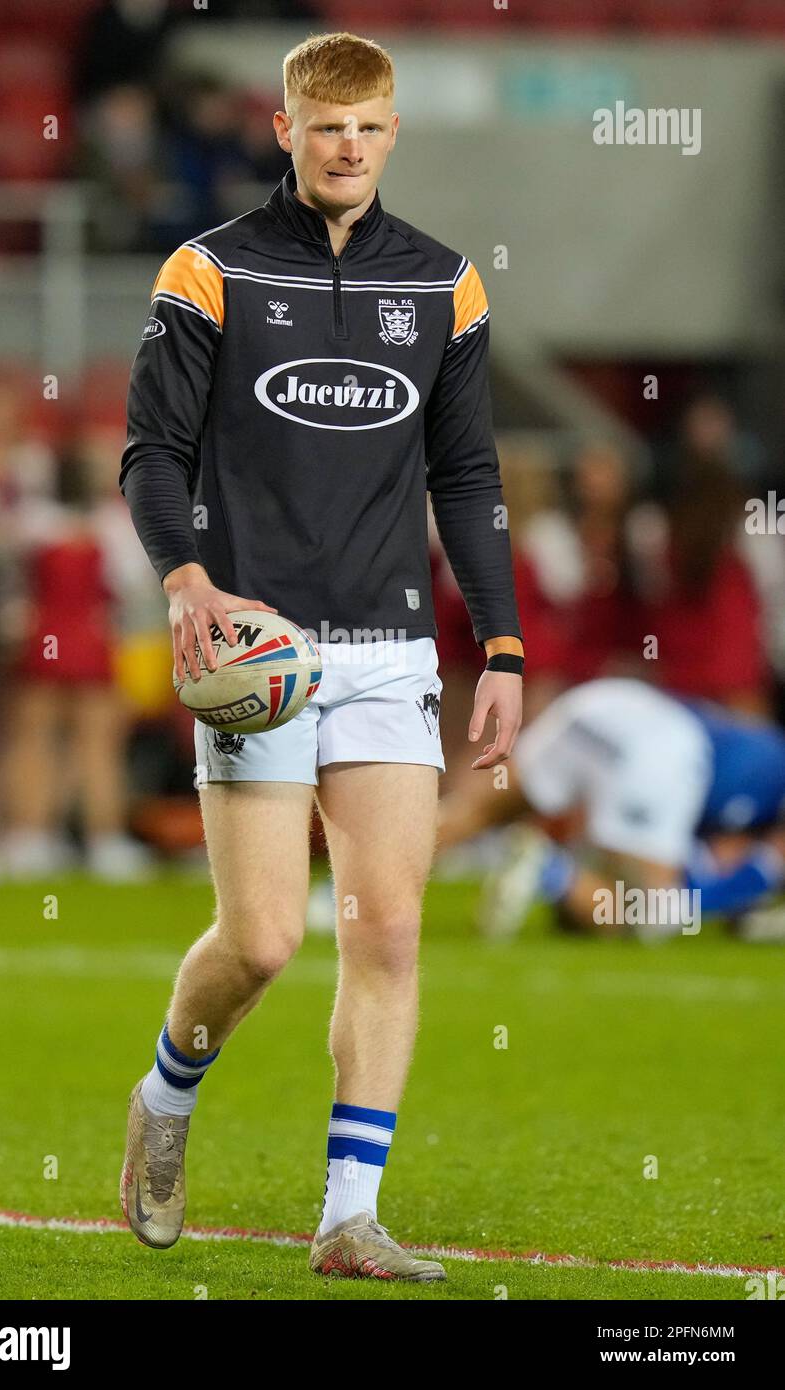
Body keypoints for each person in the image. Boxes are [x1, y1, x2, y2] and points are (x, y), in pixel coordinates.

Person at [118, 31, 523, 1281]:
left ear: (391, 135)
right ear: (283, 129)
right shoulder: (210, 271)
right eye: (323, 125)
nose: (346, 146)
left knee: (389, 930)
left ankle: (349, 1217)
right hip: (258, 649)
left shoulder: (445, 286)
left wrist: (500, 640)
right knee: (262, 941)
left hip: (390, 648)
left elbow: (464, 474)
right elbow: (151, 454)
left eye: (368, 127)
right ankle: (168, 1094)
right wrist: (187, 579)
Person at [437, 678, 785, 941]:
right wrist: (760, 888)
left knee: (474, 813)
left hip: (603, 704)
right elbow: (721, 871)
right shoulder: (768, 777)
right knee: (654, 913)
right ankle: (548, 868)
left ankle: (386, 868)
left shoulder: (758, 752)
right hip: (659, 751)